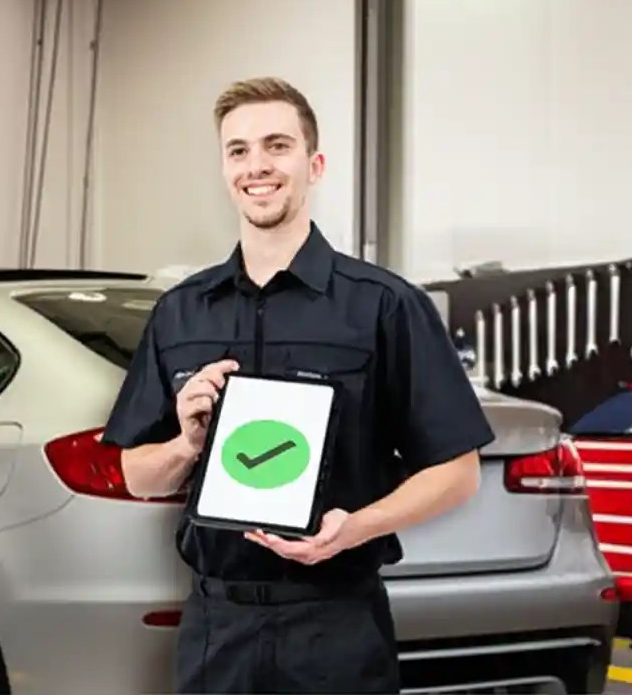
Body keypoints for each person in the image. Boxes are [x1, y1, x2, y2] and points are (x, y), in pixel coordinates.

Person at [99, 76, 495, 693]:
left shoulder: (385, 307)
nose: (257, 166)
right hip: (215, 630)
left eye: (276, 145)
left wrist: (355, 528)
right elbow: (137, 473)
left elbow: (458, 471)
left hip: (335, 626)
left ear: (314, 164)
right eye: (238, 150)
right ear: (225, 169)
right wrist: (185, 443)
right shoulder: (181, 312)